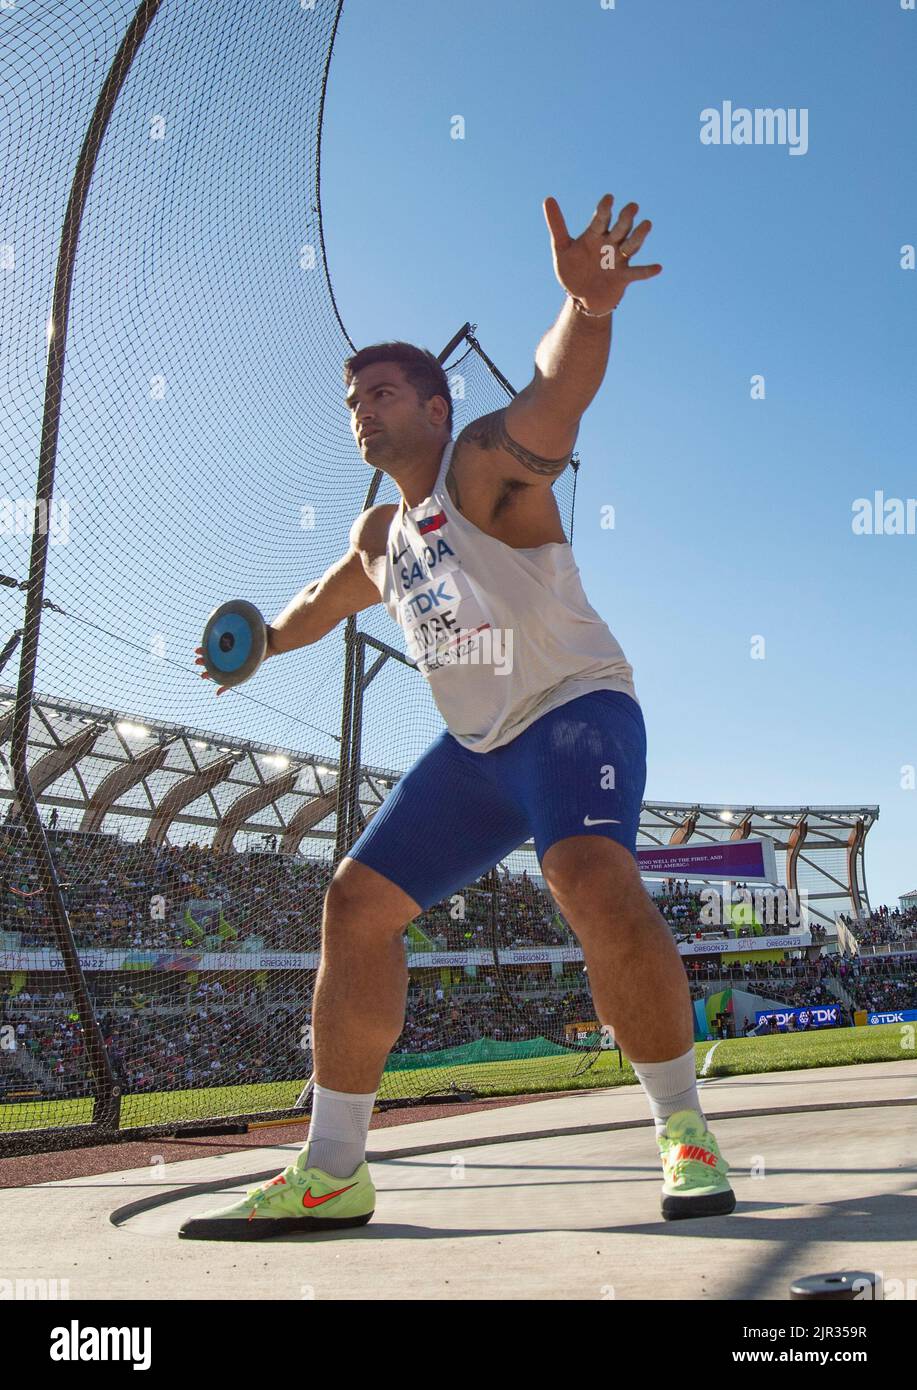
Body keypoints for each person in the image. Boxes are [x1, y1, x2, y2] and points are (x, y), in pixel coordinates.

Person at [184, 191, 734, 1241]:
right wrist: (260, 644)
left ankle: (684, 1131)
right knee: (353, 903)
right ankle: (334, 1168)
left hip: (575, 710)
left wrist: (587, 307)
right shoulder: (375, 537)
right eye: (353, 400)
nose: (363, 409)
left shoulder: (482, 468)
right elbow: (316, 603)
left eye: (382, 391)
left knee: (583, 873)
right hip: (480, 750)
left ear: (433, 409)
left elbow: (553, 401)